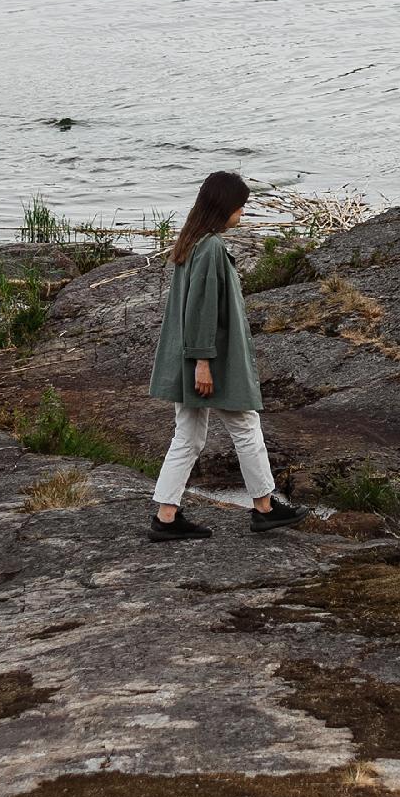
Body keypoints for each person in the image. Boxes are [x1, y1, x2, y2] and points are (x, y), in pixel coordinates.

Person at [147, 168, 300, 541]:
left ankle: (166, 517)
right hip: (209, 360)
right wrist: (203, 363)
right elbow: (201, 309)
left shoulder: (191, 242)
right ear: (223, 207)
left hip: (193, 357)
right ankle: (264, 508)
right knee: (246, 427)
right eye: (240, 207)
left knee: (188, 436)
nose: (242, 213)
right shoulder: (211, 247)